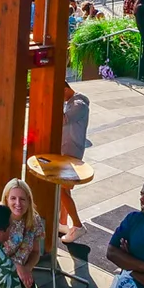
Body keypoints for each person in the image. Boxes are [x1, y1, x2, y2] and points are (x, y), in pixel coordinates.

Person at [58, 89, 89, 243]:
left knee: (62, 190)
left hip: (71, 153)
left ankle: (77, 225)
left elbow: (63, 120)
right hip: (67, 151)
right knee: (65, 190)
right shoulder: (72, 102)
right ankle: (62, 223)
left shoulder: (79, 104)